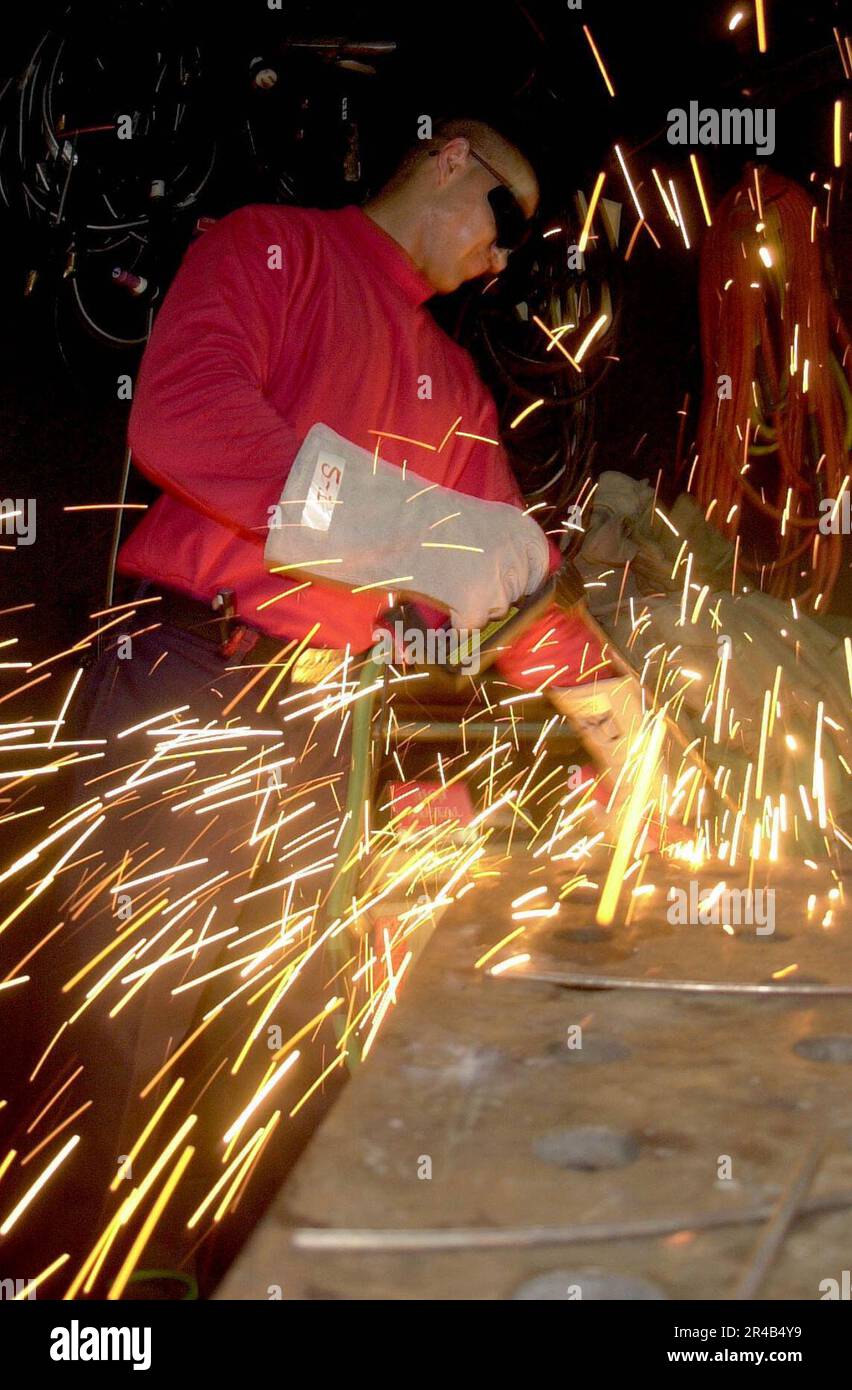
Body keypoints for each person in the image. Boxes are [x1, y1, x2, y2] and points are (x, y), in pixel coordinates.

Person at [3, 118, 627, 1291]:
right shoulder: (270, 249)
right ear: (451, 159)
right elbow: (181, 418)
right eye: (507, 219)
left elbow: (509, 583)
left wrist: (622, 721)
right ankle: (66, 1307)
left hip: (318, 723)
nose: (505, 259)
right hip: (189, 686)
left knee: (278, 1045)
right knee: (123, 1023)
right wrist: (404, 526)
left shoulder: (456, 386)